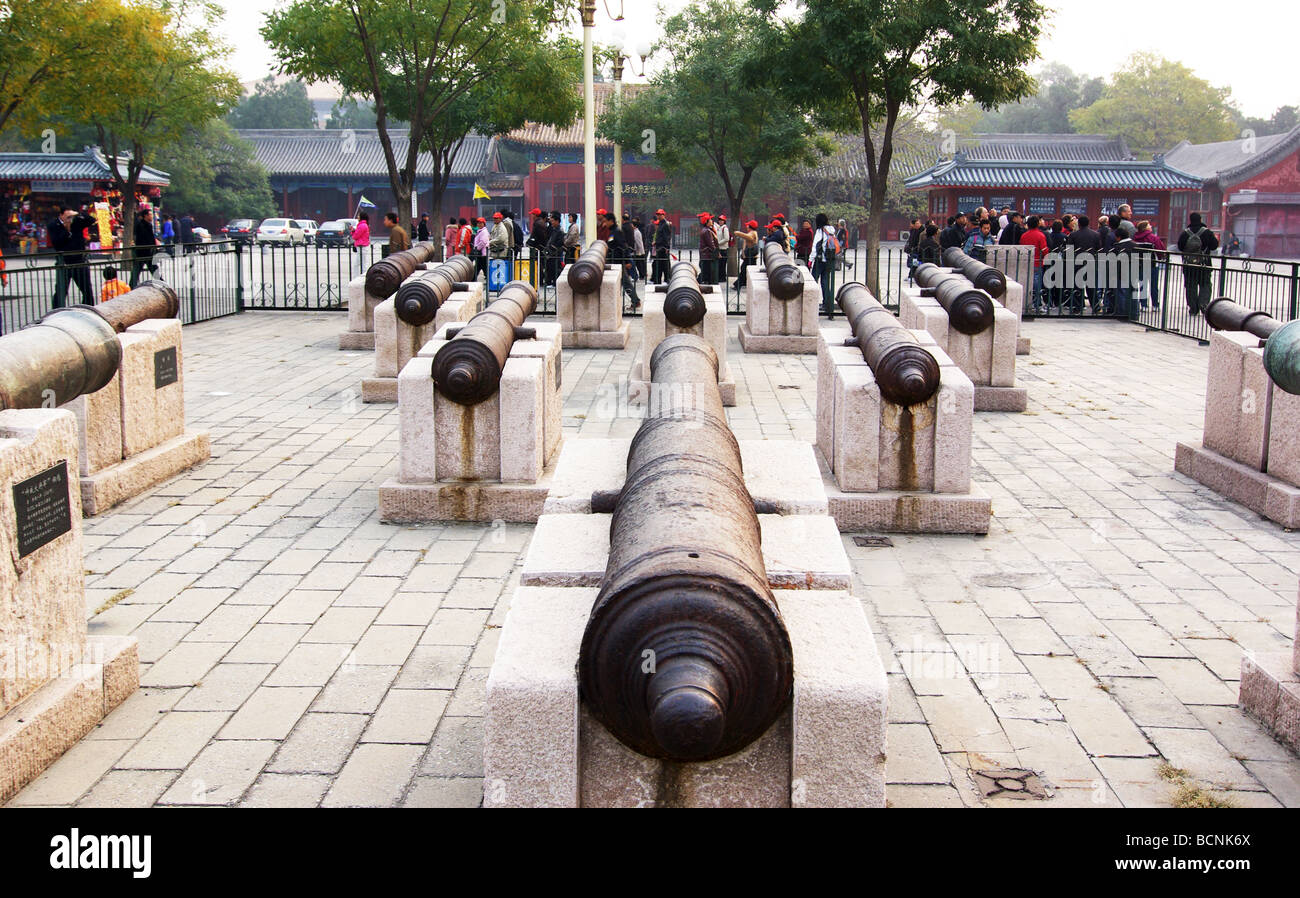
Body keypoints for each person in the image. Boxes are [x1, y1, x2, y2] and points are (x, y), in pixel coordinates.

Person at [1177, 212, 1219, 316]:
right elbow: (1214, 246)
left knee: (1190, 286)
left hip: (1189, 265)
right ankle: (1203, 304)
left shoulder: (1185, 233)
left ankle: (1193, 308)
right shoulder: (1207, 232)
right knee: (1205, 284)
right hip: (1204, 264)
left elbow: (1180, 247)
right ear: (1200, 219)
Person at [1064, 215, 1101, 314]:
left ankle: (1077, 307)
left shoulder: (1073, 235)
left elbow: (1069, 250)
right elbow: (1098, 248)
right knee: (1091, 286)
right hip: (1091, 262)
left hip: (1077, 263)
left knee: (1077, 286)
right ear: (1088, 223)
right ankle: (1096, 307)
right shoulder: (1096, 234)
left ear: (1078, 224)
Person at [1131, 220, 1165, 311]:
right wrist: (1161, 258)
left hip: (1140, 264)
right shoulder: (1153, 238)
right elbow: (1161, 249)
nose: (1150, 226)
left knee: (1142, 284)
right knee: (1154, 285)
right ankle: (1155, 305)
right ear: (1146, 227)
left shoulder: (1135, 237)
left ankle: (1144, 305)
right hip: (1152, 263)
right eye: (1149, 225)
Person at [811, 212, 839, 318]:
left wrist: (810, 259)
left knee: (813, 281)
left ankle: (812, 302)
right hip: (829, 260)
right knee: (826, 282)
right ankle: (827, 305)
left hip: (820, 260)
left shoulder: (820, 231)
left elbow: (815, 245)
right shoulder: (831, 230)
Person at [1019, 215, 1049, 313]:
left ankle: (1027, 303)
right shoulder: (1040, 235)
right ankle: (1037, 304)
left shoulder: (1024, 236)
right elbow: (1044, 250)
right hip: (1037, 263)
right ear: (1037, 223)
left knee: (1028, 283)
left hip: (1026, 263)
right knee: (1037, 285)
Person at [130, 208, 159, 288]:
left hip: (148, 252)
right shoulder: (141, 225)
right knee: (137, 270)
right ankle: (131, 286)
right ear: (145, 216)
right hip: (142, 252)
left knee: (153, 269)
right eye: (150, 215)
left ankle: (162, 283)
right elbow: (144, 239)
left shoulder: (148, 225)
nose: (151, 216)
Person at [733, 219, 759, 290]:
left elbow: (748, 237)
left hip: (751, 256)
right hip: (750, 256)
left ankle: (738, 285)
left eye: (748, 225)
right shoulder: (752, 232)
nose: (746, 227)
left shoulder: (752, 233)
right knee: (744, 269)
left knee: (744, 270)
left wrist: (739, 233)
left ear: (750, 226)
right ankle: (739, 284)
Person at [545, 211, 567, 286]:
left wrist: (552, 248)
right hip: (551, 254)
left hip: (555, 254)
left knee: (555, 269)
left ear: (557, 221)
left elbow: (559, 243)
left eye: (553, 221)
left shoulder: (559, 231)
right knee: (550, 268)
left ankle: (555, 283)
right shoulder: (553, 229)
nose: (551, 222)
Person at [697, 213, 717, 285]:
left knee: (705, 271)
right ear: (706, 222)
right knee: (706, 272)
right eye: (710, 220)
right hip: (707, 255)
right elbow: (710, 244)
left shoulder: (705, 230)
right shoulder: (707, 231)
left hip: (705, 254)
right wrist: (715, 251)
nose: (712, 221)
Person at [652, 211, 672, 284]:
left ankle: (667, 279)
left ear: (663, 215)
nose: (658, 216)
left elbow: (666, 237)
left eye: (660, 215)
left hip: (663, 248)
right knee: (659, 265)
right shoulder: (660, 223)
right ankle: (657, 280)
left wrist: (666, 247)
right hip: (659, 247)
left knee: (665, 265)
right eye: (657, 215)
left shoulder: (665, 225)